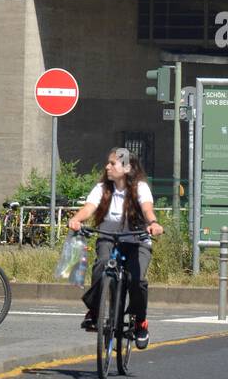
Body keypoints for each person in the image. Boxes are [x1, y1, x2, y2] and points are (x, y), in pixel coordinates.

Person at [68, 147, 163, 349]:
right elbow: (89, 208)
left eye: (113, 163)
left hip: (137, 239)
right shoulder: (102, 188)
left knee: (137, 280)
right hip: (109, 237)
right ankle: (95, 310)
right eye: (108, 163)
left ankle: (140, 322)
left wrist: (153, 223)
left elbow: (147, 209)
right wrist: (76, 219)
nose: (107, 166)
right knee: (101, 265)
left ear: (127, 167)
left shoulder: (140, 187)